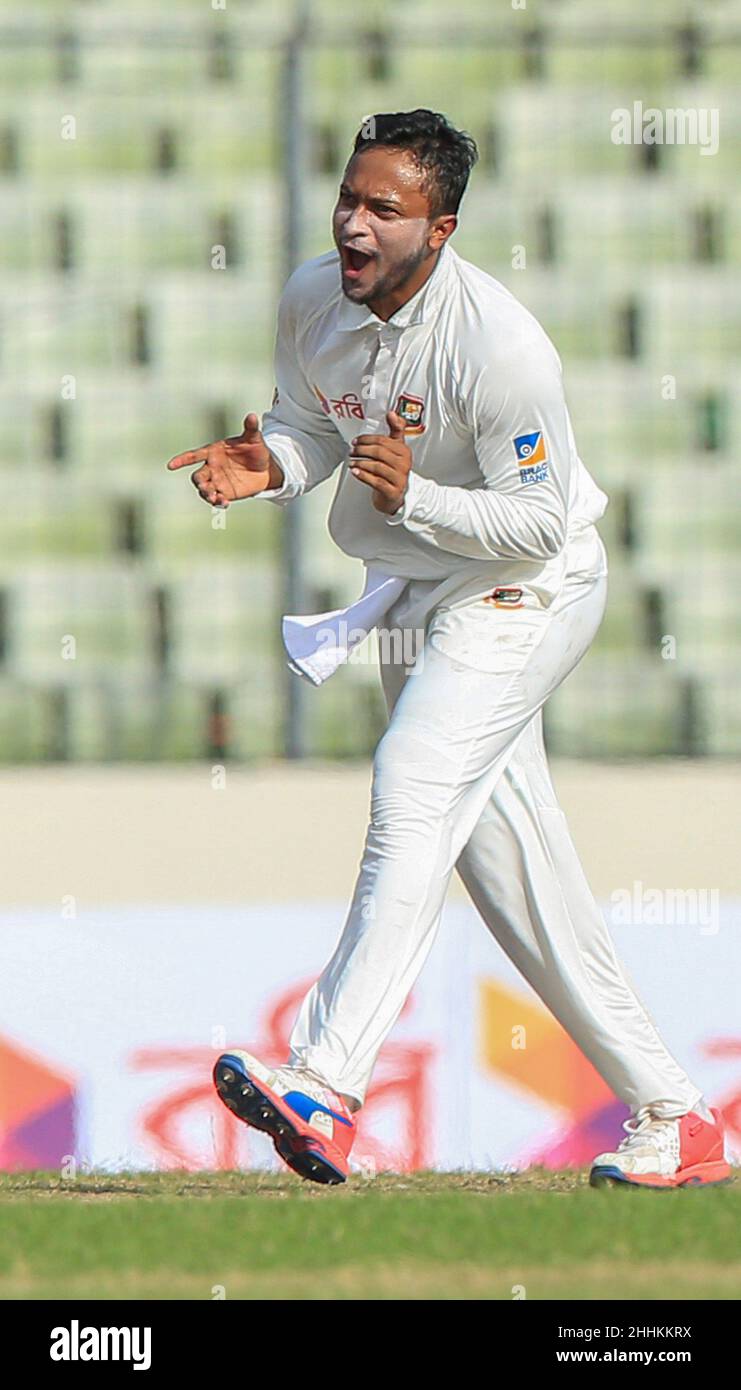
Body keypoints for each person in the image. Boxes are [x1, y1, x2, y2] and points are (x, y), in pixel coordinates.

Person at [167, 109, 730, 1190]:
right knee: (516, 875)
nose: (355, 224)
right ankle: (677, 1115)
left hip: (528, 585)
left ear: (443, 227)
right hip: (421, 590)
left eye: (387, 208)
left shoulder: (502, 346)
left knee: (413, 786)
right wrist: (273, 465)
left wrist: (414, 493)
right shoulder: (309, 296)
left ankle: (326, 1087)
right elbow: (316, 420)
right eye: (349, 197)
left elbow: (542, 521)